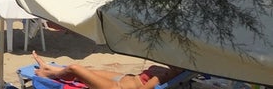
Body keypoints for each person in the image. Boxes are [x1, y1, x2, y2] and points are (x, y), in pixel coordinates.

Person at [32, 51, 185, 89]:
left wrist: (160, 77)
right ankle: (49, 66)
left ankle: (48, 73)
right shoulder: (167, 69)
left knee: (75, 68)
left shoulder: (165, 76)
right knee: (85, 71)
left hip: (116, 87)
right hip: (122, 77)